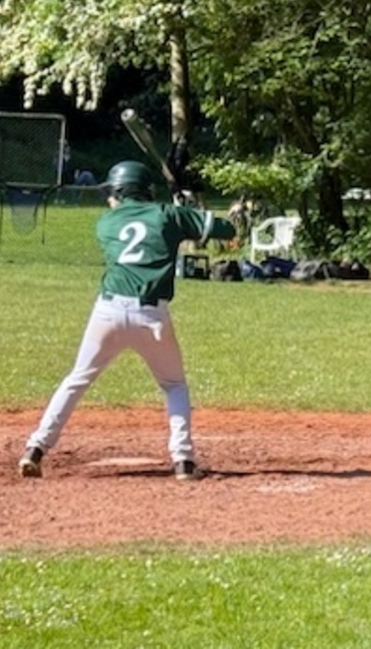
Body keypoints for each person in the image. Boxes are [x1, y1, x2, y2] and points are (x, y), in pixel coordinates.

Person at [18, 160, 236, 481]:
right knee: (174, 385)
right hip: (152, 317)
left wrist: (179, 213)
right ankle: (184, 461)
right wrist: (189, 212)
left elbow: (142, 229)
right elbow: (226, 231)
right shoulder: (167, 214)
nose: (109, 199)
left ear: (121, 192)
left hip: (107, 313)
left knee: (77, 379)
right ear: (146, 190)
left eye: (112, 193)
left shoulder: (105, 224)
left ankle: (35, 448)